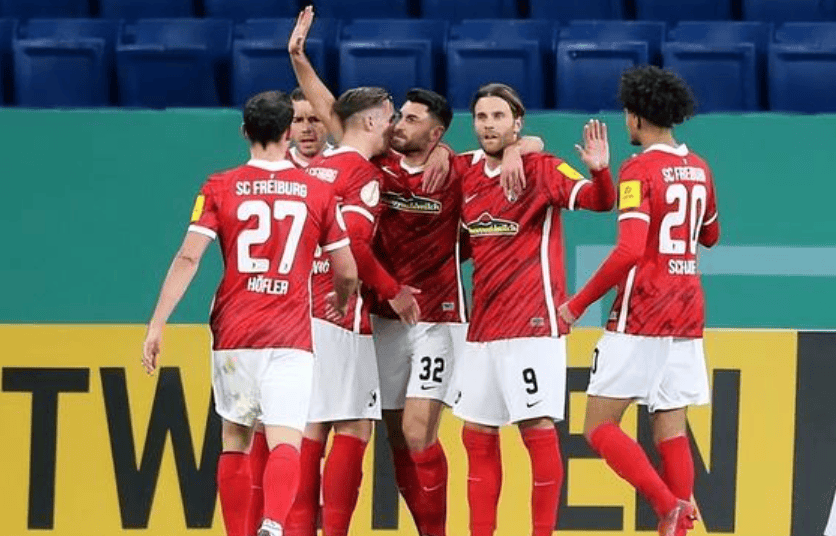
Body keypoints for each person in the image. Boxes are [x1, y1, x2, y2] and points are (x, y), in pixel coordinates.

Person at [140, 90, 358, 536]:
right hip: (291, 335)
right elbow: (347, 270)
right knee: (286, 438)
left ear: (245, 132)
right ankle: (274, 523)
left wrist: (157, 324)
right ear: (288, 132)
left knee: (236, 438)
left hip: (235, 332)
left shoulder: (220, 186)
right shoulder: (318, 190)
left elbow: (188, 257)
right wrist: (341, 297)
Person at [558, 65, 720, 536]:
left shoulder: (638, 169)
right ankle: (680, 525)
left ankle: (668, 506)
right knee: (671, 427)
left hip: (643, 309)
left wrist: (577, 303)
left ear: (636, 117)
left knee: (598, 426)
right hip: (687, 310)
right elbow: (710, 235)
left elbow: (629, 250)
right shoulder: (700, 167)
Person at [453, 82, 615, 536]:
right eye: (481, 117)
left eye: (498, 116)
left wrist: (601, 172)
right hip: (483, 329)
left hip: (532, 324)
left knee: (536, 432)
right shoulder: (464, 172)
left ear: (517, 122)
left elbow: (600, 201)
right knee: (477, 437)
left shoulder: (542, 168)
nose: (489, 125)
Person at [288, 87, 330, 168]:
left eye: (314, 120)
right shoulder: (277, 164)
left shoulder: (345, 162)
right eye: (298, 120)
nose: (306, 129)